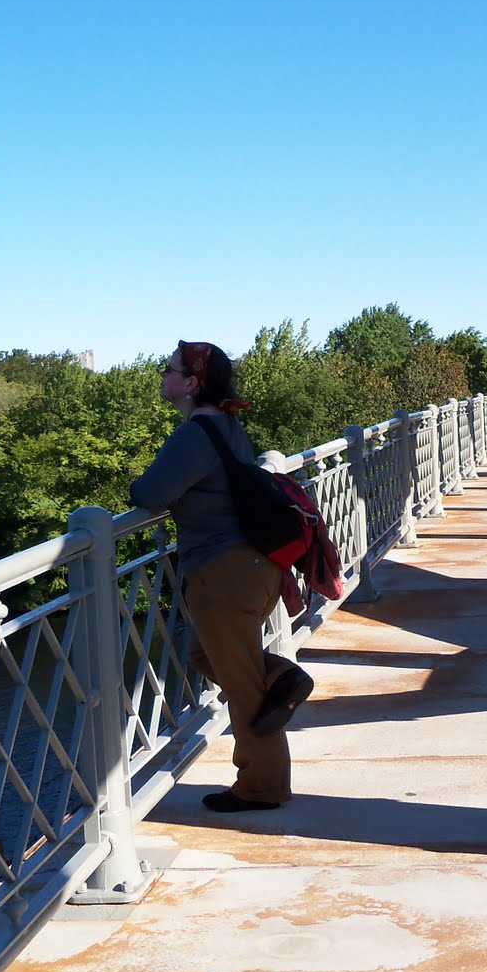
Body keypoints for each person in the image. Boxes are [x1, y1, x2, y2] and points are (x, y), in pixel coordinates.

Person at [130, 340, 313, 813]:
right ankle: (285, 677)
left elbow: (150, 493)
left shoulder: (194, 435)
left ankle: (261, 787)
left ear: (191, 383)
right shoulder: (228, 426)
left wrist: (138, 486)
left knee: (244, 685)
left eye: (168, 369)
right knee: (203, 654)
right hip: (254, 566)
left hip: (224, 571)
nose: (162, 376)